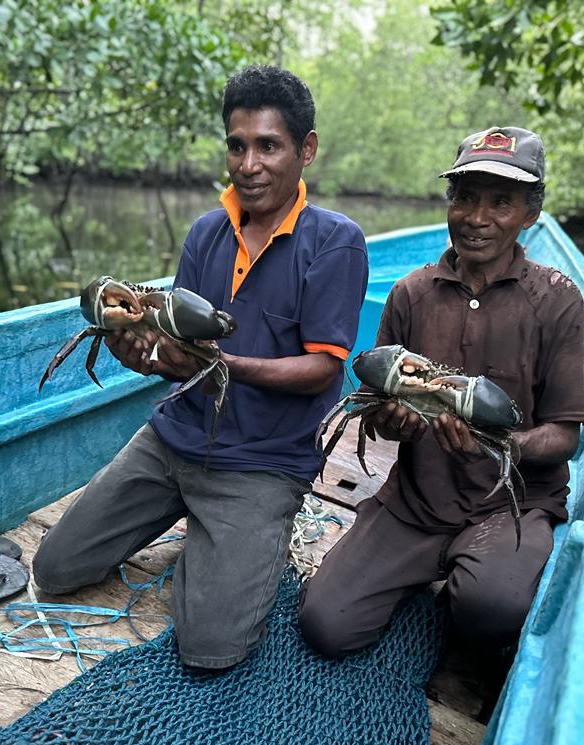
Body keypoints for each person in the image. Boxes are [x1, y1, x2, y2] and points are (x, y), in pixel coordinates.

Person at [33, 65, 369, 670]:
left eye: (269, 145)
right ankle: (201, 529)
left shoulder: (334, 241)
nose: (249, 164)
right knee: (53, 569)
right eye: (237, 146)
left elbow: (322, 372)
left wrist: (223, 364)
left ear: (305, 150)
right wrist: (135, 352)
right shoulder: (206, 232)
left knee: (210, 649)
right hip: (172, 442)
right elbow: (178, 356)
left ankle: (222, 543)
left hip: (261, 465)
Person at [298, 126, 584, 665]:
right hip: (418, 497)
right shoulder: (411, 293)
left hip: (511, 503)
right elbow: (373, 407)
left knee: (492, 611)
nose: (477, 218)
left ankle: (468, 584)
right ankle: (420, 569)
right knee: (324, 626)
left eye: (501, 202)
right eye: (464, 197)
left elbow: (565, 435)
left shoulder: (557, 300)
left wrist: (505, 446)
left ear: (530, 212)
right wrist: (392, 421)